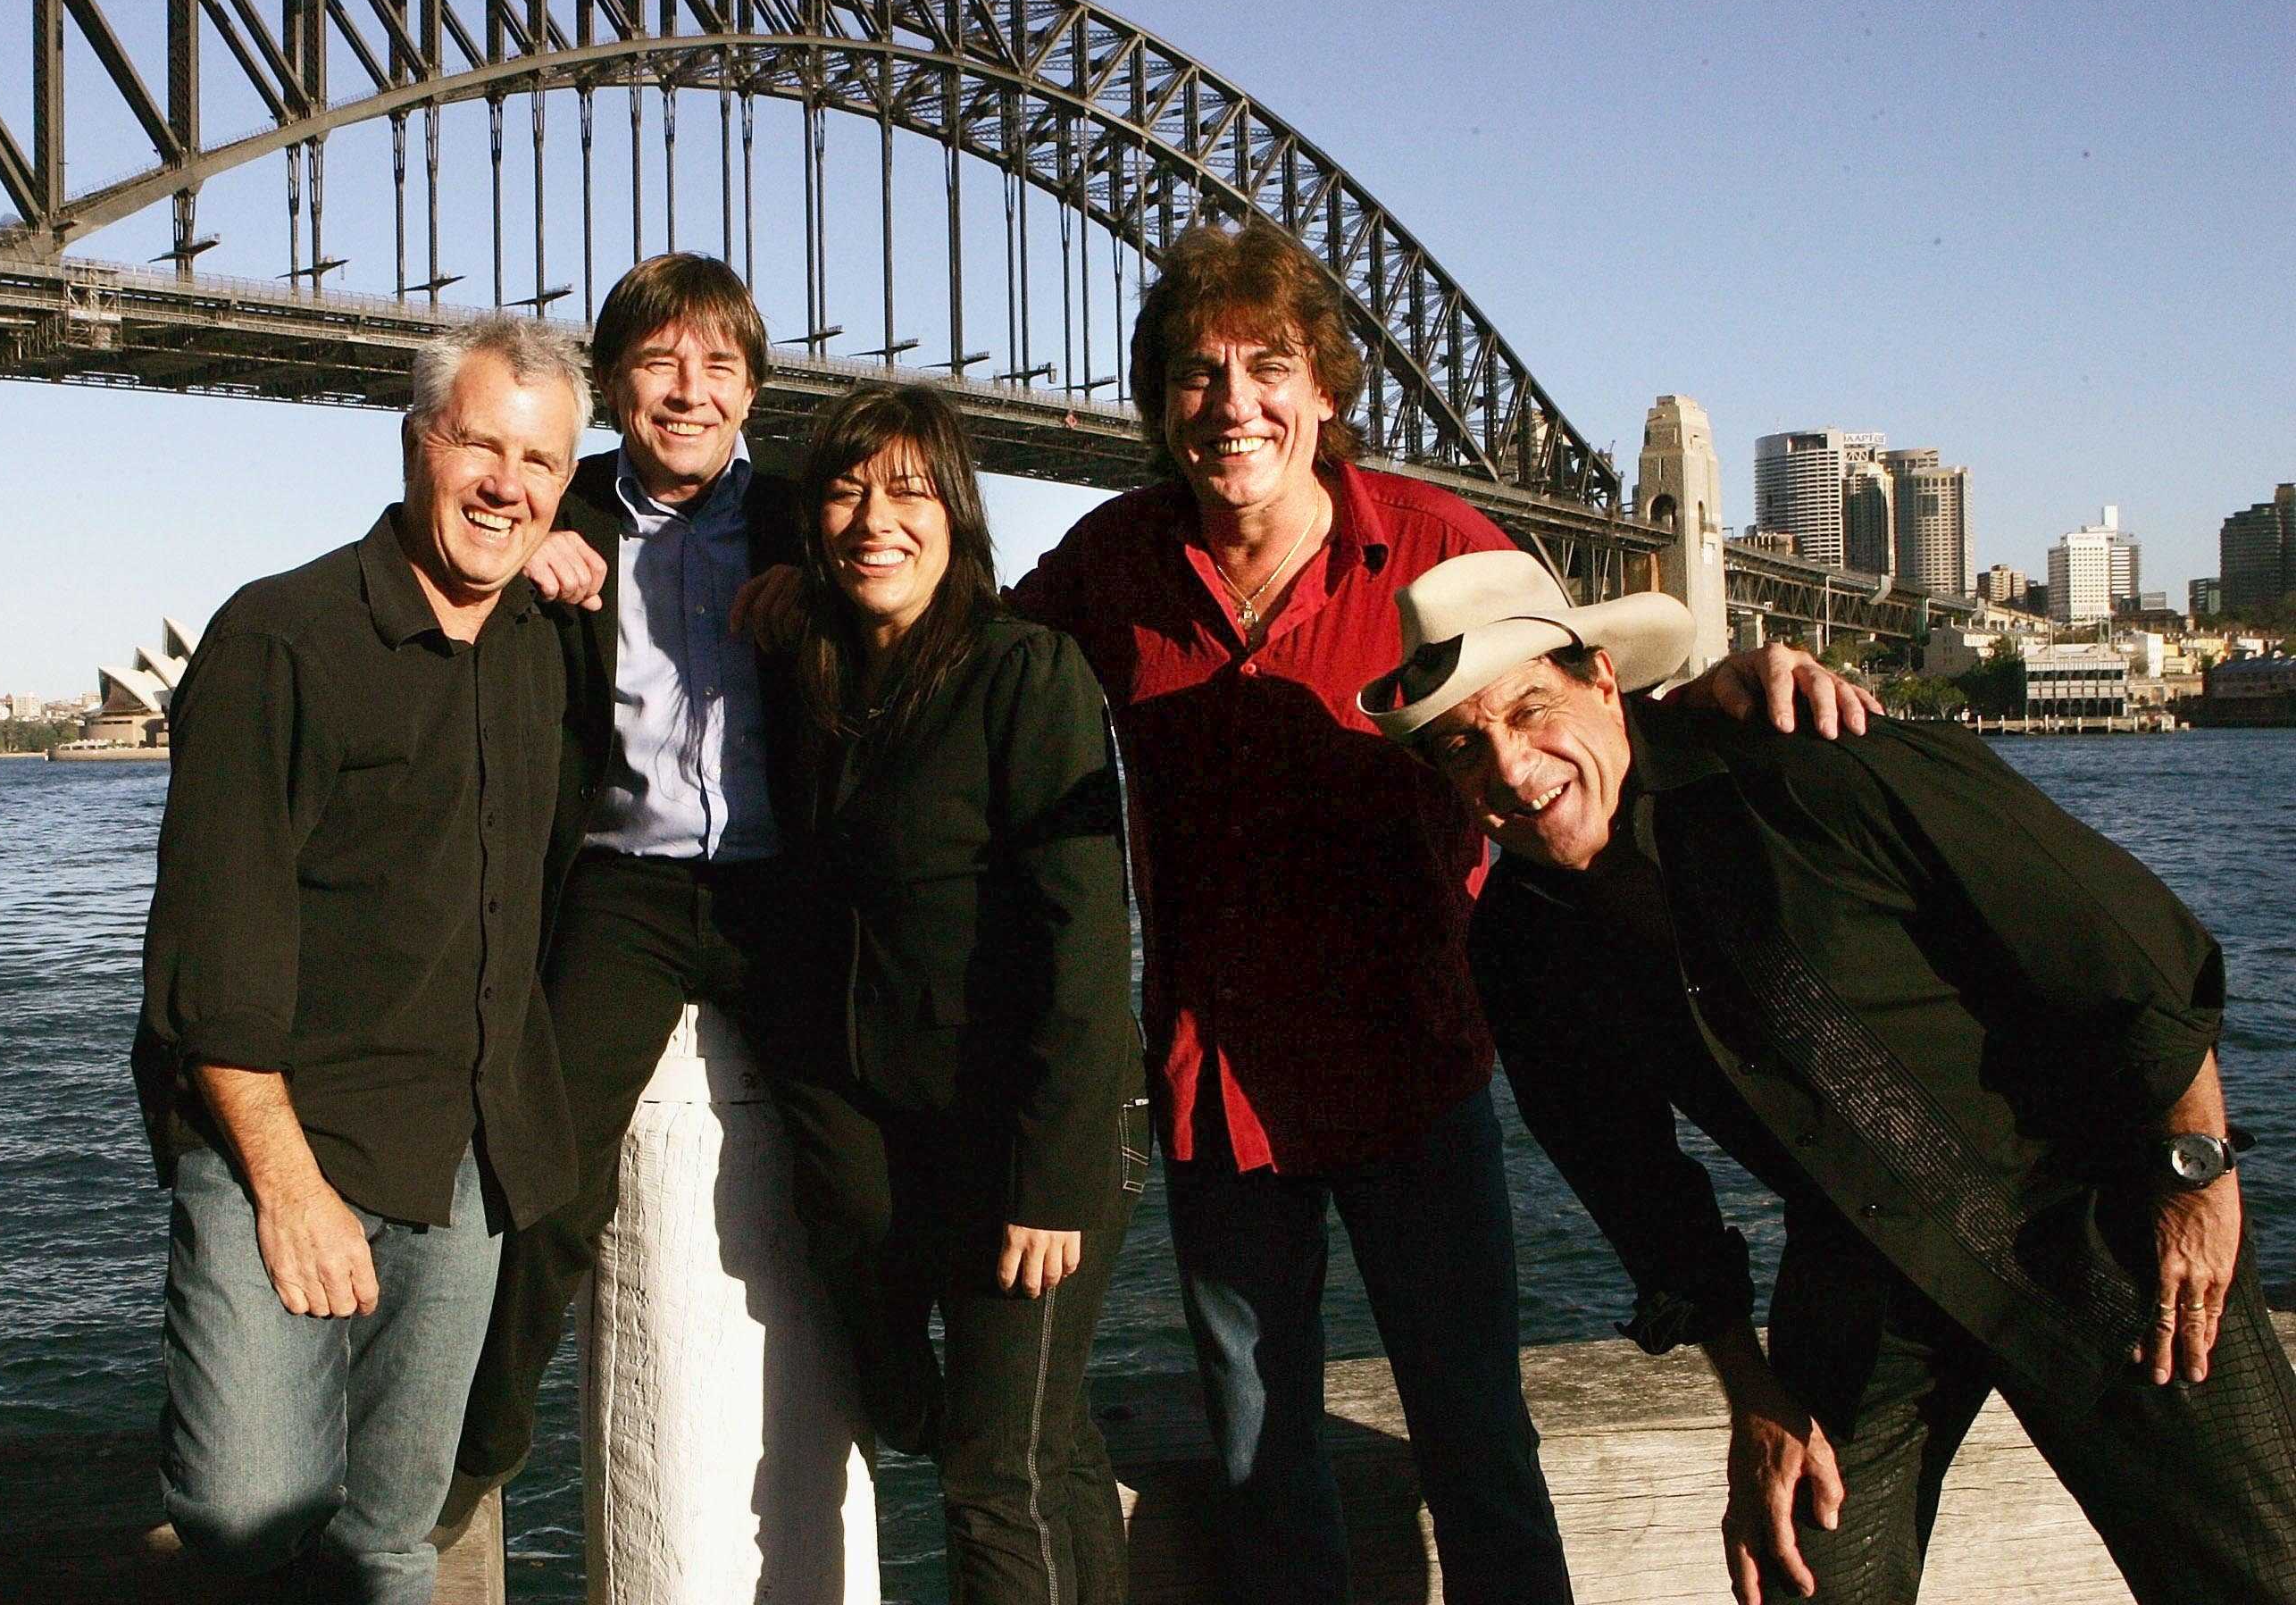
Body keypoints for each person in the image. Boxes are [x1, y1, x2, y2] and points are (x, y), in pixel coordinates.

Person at [1001, 219, 1873, 1604]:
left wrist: (1729, 686)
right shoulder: (1109, 565)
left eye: (1267, 367)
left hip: (1419, 1074)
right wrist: (799, 571)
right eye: (1194, 372)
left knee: (1481, 1452)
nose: (1233, 406)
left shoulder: (1434, 544)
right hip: (1220, 1096)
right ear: (1159, 399)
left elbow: (1577, 697)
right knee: (1258, 1469)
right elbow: (959, 668)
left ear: (1328, 392)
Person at [1374, 548, 2296, 1605]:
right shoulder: (1520, 945)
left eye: (1530, 706)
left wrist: (2197, 1173)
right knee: (1804, 1580)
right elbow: (1634, 1185)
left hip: (2099, 1228)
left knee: (2262, 1577)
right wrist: (1753, 1391)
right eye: (1460, 746)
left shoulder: (1808, 759)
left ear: (1600, 679)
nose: (1509, 763)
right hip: (1859, 1266)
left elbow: (2122, 940)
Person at [130, 315, 589, 1603]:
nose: (507, 483)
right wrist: (289, 1189)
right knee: (242, 1506)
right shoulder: (280, 642)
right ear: (415, 443)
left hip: (463, 1159)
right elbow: (212, 958)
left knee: (393, 1532)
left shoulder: (539, 642)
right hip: (289, 1138)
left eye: (540, 463)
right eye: (479, 446)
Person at [760, 383, 1147, 1603]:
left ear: (959, 516)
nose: (878, 519)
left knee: (993, 1476)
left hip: (1030, 1137)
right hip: (889, 1149)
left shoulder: (1027, 675)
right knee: (1032, 1443)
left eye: (912, 491)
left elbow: (1087, 951)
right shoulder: (817, 678)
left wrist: (1051, 1183)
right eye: (846, 489)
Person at [445, 252, 813, 1520]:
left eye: (719, 365)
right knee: (549, 1174)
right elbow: (432, 572)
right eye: (659, 362)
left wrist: (826, 590)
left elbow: (935, 592)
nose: (689, 391)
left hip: (782, 886)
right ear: (609, 384)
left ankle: (904, 1387)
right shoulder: (555, 507)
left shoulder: (813, 518)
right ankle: (477, 1448)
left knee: (866, 1147)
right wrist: (517, 558)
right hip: (625, 887)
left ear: (755, 389)